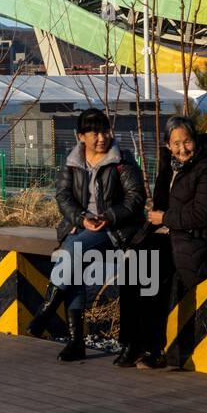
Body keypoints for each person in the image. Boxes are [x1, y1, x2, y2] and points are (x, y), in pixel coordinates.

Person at [28, 108, 148, 363]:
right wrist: (81, 218)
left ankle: (47, 311)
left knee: (71, 252)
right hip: (83, 225)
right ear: (81, 136)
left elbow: (136, 199)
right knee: (71, 261)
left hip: (116, 229)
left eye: (105, 130)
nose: (102, 137)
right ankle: (75, 342)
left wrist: (107, 217)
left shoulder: (122, 160)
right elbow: (63, 197)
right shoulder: (73, 163)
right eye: (94, 132)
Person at [148, 116, 207, 319]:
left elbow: (202, 214)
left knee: (157, 275)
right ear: (168, 145)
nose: (183, 148)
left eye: (187, 141)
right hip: (176, 235)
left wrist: (165, 218)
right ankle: (137, 343)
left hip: (200, 239)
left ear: (195, 139)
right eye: (176, 143)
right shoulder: (172, 166)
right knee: (137, 265)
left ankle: (170, 342)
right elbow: (164, 203)